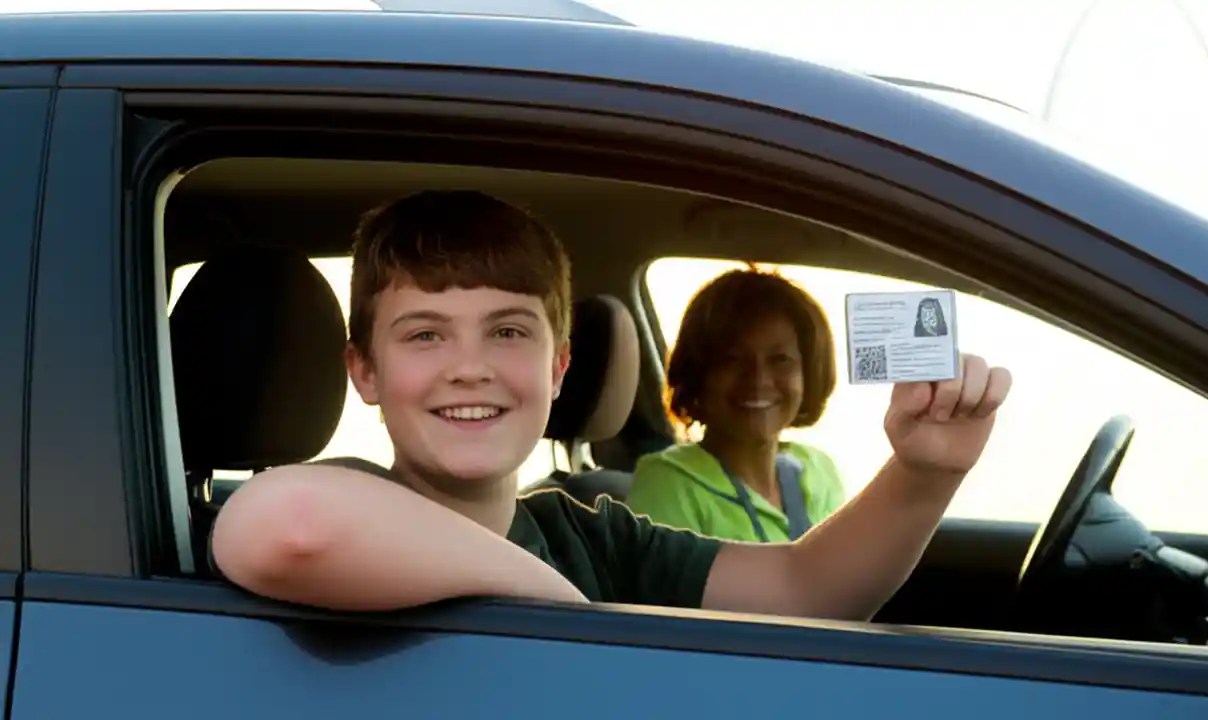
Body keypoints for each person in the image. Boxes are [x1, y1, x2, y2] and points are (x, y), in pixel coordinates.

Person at [210, 189, 1013, 622]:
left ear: (559, 367)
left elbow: (806, 592)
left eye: (508, 332)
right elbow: (290, 525)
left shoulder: (592, 537)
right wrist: (570, 615)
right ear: (365, 373)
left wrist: (921, 473)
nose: (469, 368)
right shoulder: (353, 498)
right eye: (424, 336)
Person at [626, 269, 846, 542]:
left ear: (809, 373)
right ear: (698, 374)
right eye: (732, 359)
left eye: (780, 359)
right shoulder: (668, 485)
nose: (758, 380)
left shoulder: (818, 470)